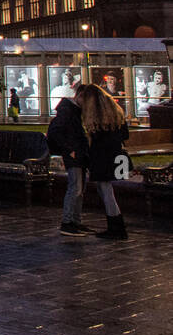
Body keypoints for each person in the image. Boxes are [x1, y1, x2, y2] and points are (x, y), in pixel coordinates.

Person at [79, 83, 130, 240]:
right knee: (106, 191)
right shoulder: (116, 113)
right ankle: (116, 225)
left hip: (102, 158)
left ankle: (116, 227)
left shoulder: (96, 119)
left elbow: (94, 142)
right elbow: (125, 135)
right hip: (115, 156)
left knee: (105, 191)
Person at [48, 83, 90, 236]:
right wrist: (69, 150)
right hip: (74, 155)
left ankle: (76, 221)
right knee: (75, 188)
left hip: (79, 154)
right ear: (79, 96)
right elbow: (55, 132)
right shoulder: (67, 111)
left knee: (80, 189)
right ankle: (67, 222)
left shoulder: (75, 111)